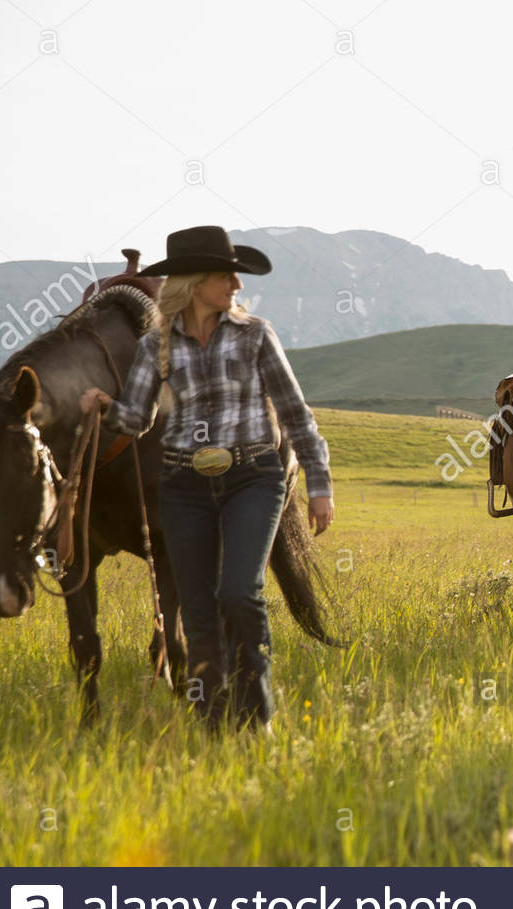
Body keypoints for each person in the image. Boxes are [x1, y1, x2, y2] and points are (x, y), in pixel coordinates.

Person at [78, 225, 334, 732]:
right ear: (194, 282)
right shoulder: (158, 346)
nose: (236, 286)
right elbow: (138, 418)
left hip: (253, 477)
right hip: (184, 485)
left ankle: (256, 716)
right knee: (196, 610)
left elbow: (296, 413)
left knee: (239, 592)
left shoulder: (256, 334)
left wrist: (320, 484)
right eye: (225, 276)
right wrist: (105, 407)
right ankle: (214, 724)